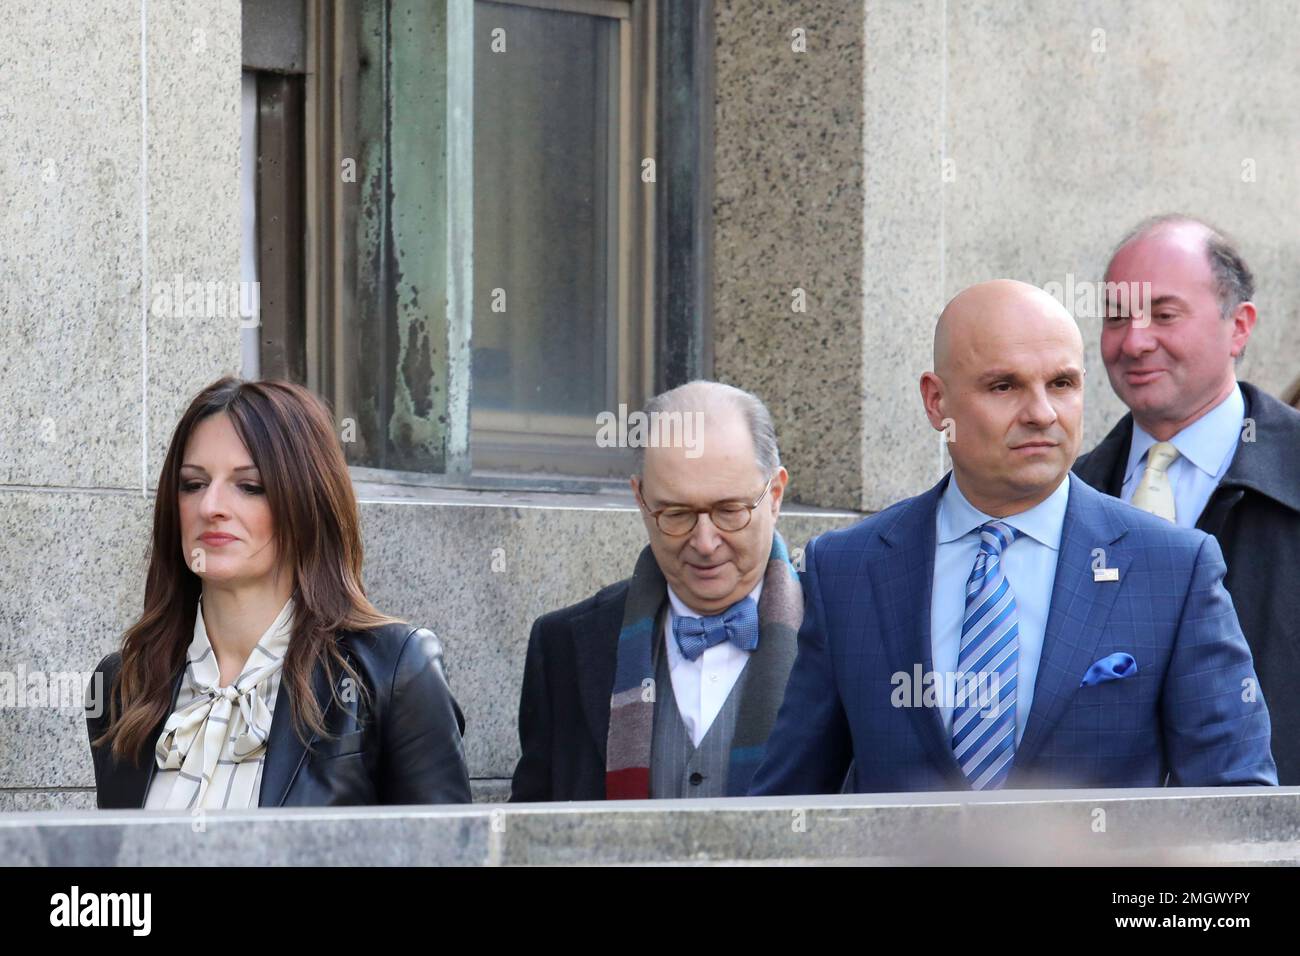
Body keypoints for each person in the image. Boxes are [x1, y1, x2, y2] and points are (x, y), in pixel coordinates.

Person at [751, 279, 1276, 794]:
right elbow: (788, 809)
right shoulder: (847, 568)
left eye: (1062, 384)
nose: (1042, 414)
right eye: (1004, 386)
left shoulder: (1173, 569)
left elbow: (1236, 808)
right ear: (936, 402)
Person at [86, 377, 472, 808]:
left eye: (250, 486)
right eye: (193, 484)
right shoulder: (126, 682)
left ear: (307, 502)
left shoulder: (394, 669)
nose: (211, 506)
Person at [1074, 214, 1300, 784]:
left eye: (1164, 315)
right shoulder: (1065, 497)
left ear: (1239, 326)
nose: (1134, 341)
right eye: (1116, 317)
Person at [510, 381, 803, 801]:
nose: (704, 542)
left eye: (729, 511)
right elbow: (530, 834)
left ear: (774, 496)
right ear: (640, 500)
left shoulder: (844, 636)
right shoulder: (564, 648)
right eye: (677, 514)